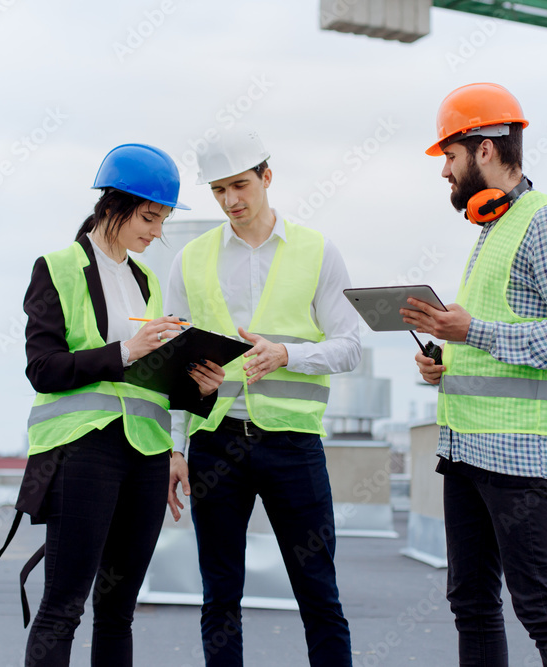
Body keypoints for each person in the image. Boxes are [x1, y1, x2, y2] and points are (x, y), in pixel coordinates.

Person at [401, 83, 547, 667]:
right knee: (471, 603)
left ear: (485, 148)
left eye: (449, 155)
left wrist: (473, 333)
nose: (444, 171)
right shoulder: (493, 231)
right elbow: (497, 334)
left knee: (542, 608)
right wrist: (444, 362)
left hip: (522, 452)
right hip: (468, 448)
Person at [17, 143, 225, 666]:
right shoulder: (58, 267)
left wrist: (199, 387)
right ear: (113, 206)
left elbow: (153, 381)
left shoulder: (146, 281)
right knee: (64, 606)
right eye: (150, 217)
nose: (157, 232)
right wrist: (125, 350)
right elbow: (42, 367)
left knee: (119, 611)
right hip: (83, 451)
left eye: (162, 220)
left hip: (148, 458)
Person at [165, 127, 361, 666]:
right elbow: (175, 364)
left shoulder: (318, 251)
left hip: (293, 445)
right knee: (219, 596)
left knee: (319, 593)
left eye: (240, 185)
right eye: (219, 190)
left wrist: (287, 355)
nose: (231, 200)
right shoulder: (190, 260)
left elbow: (350, 347)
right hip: (214, 444)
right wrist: (176, 450)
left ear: (267, 177)